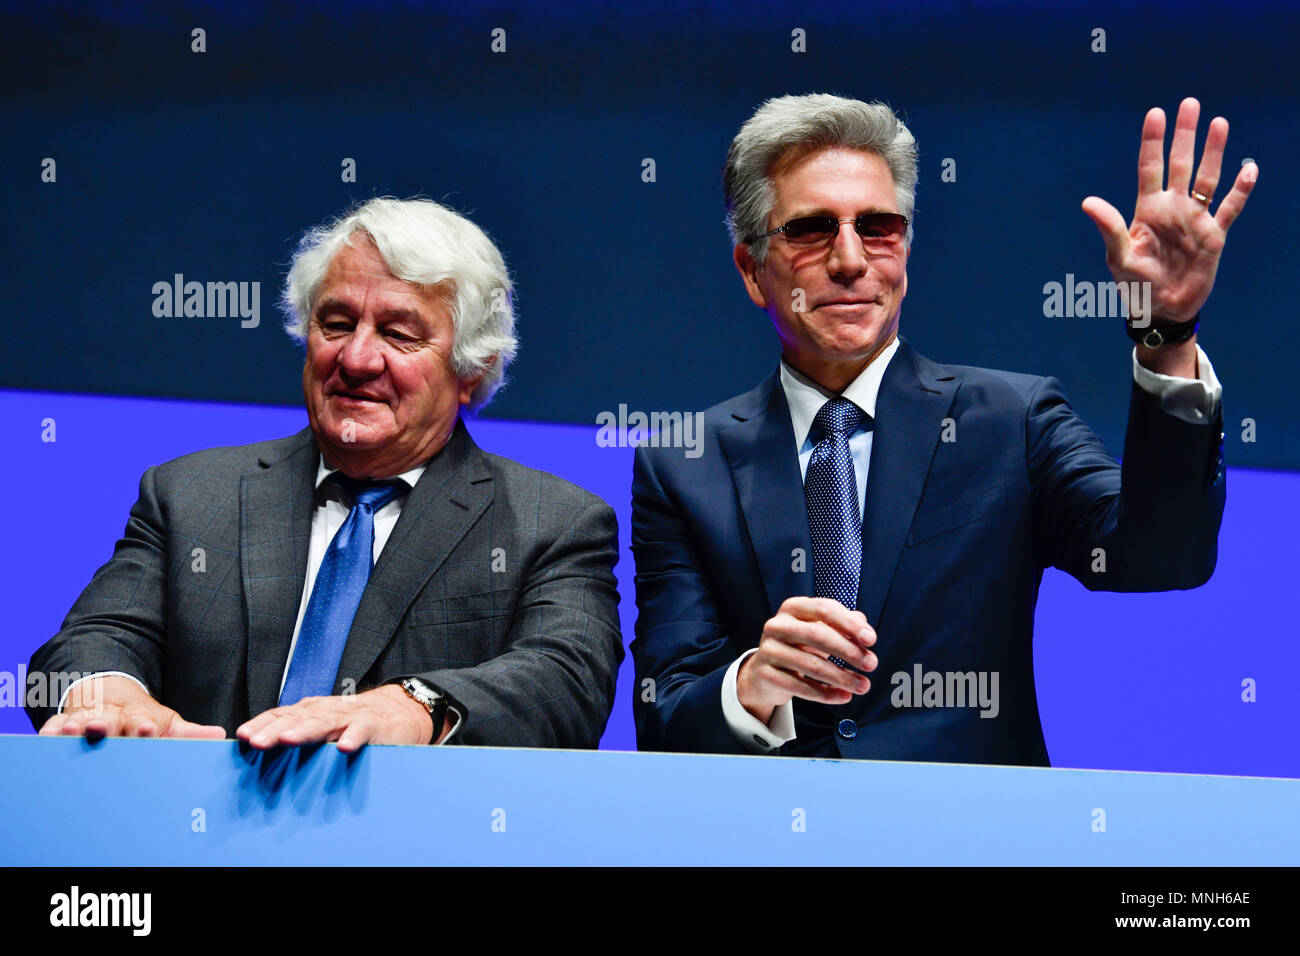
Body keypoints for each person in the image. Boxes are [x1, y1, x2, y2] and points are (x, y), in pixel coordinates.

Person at [632, 94, 1254, 763]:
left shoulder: (1010, 420)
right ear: (752, 270)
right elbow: (664, 715)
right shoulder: (684, 464)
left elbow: (1163, 555)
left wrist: (1168, 335)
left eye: (878, 227)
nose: (850, 259)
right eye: (811, 229)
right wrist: (752, 685)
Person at [27, 197, 623, 751]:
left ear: (472, 369)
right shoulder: (188, 495)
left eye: (399, 334)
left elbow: (564, 680)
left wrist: (415, 707)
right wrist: (106, 693)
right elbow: (92, 639)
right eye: (336, 324)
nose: (357, 359)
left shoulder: (553, 523)